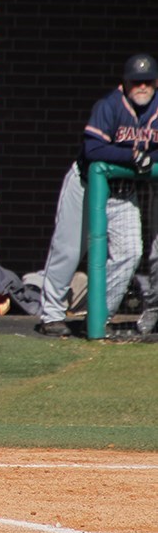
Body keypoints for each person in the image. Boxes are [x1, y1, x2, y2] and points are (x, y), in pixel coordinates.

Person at [36, 53, 158, 337]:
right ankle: (51, 315)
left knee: (131, 253)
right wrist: (133, 155)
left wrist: (146, 158)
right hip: (87, 184)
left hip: (123, 191)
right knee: (69, 249)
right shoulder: (109, 105)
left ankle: (99, 316)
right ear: (125, 83)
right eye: (136, 81)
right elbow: (92, 150)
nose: (142, 87)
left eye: (148, 81)